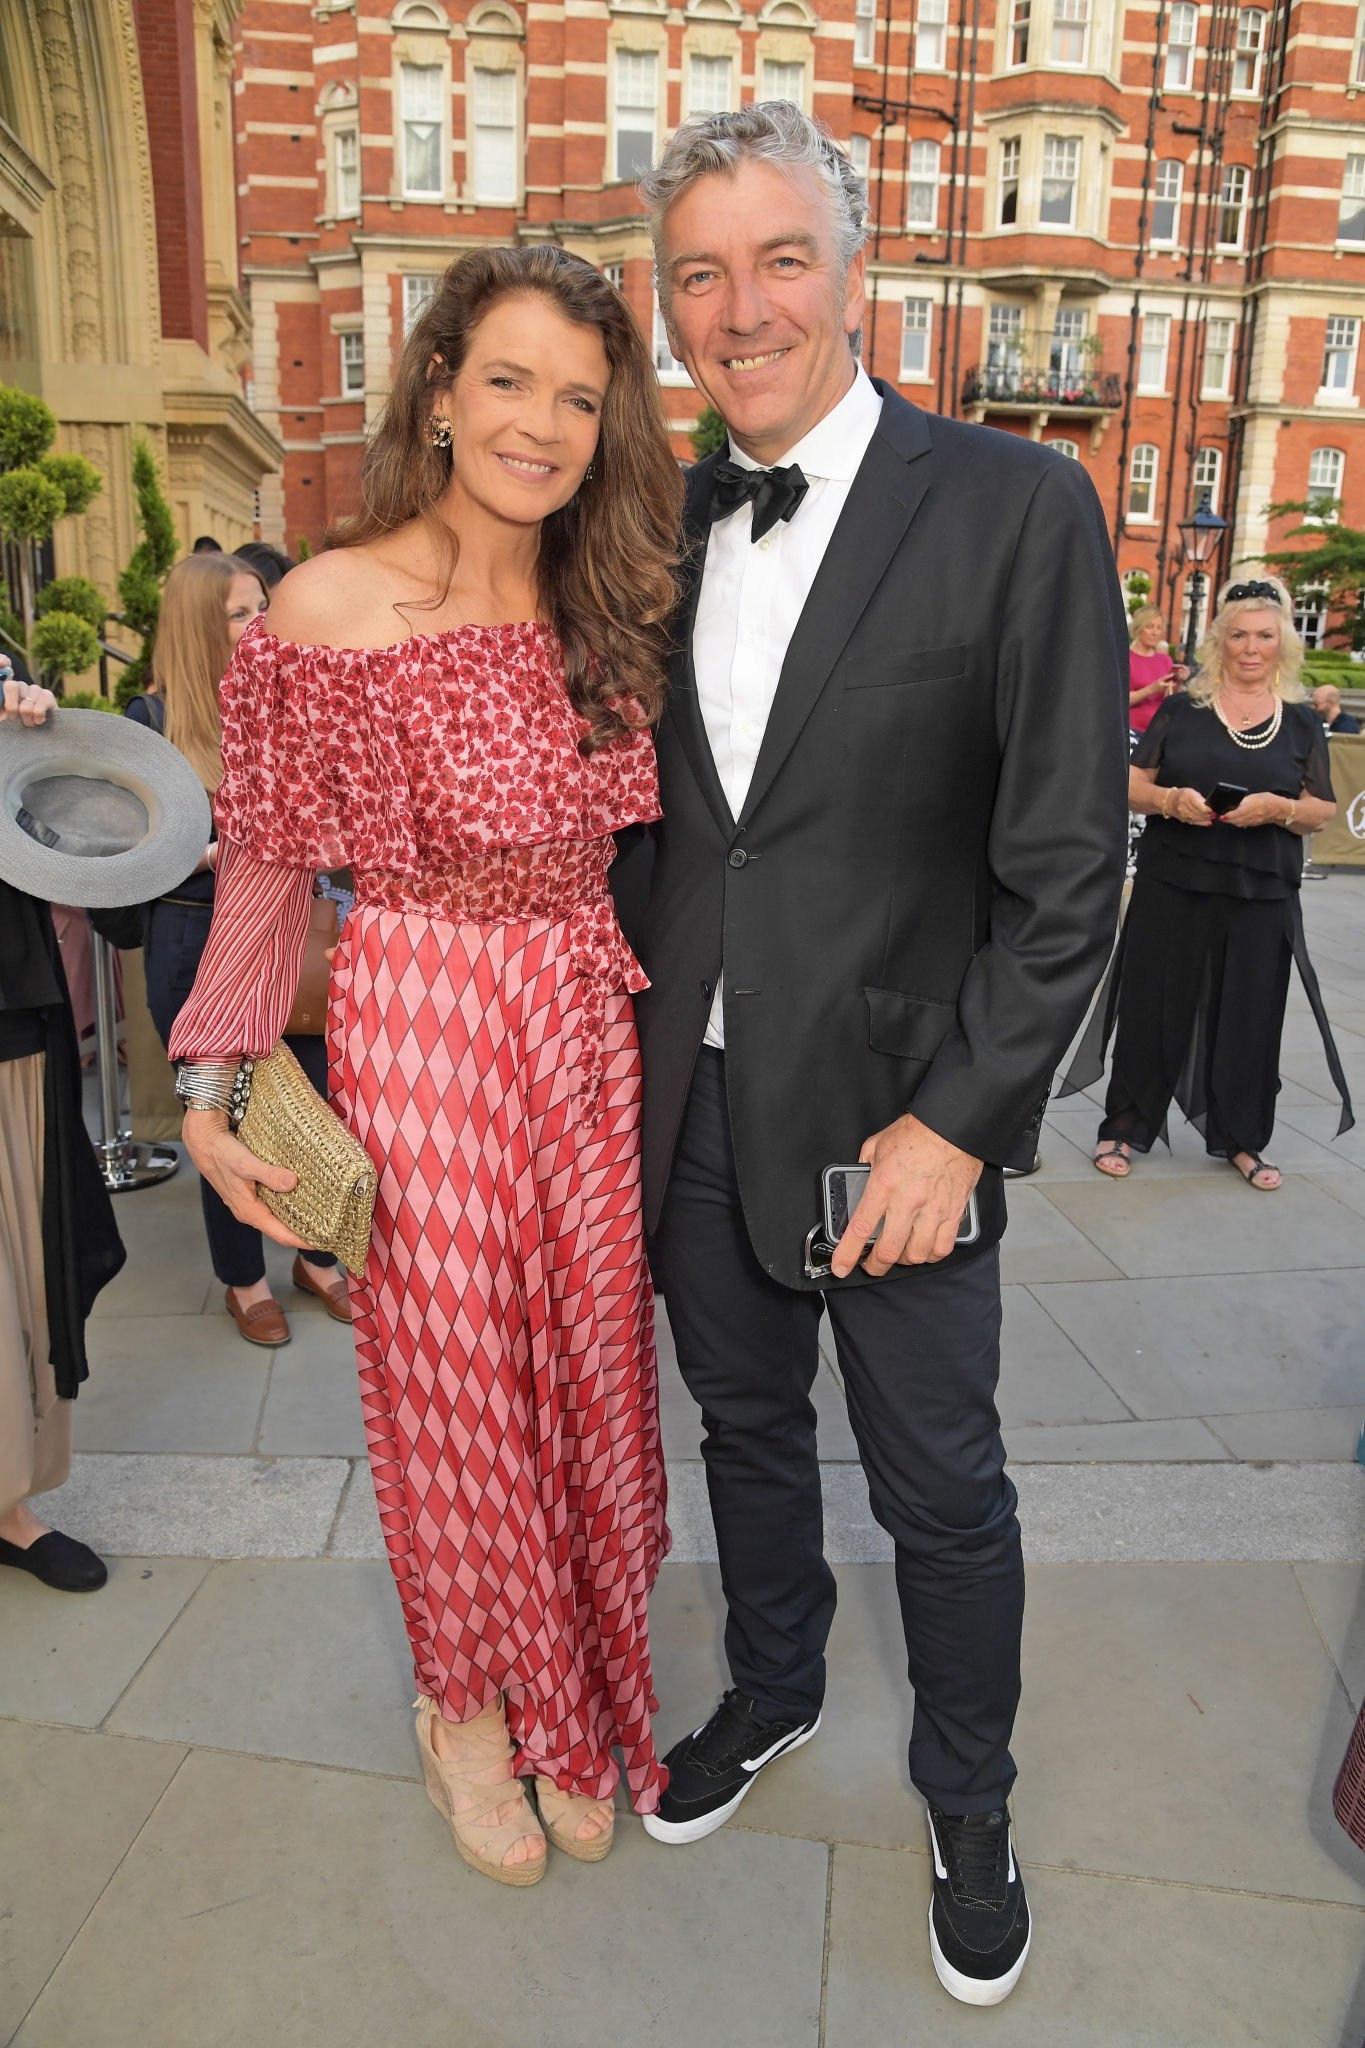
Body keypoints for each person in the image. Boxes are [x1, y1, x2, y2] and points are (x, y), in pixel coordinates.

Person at [618, 104, 1128, 2007]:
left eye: (779, 259)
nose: (739, 308)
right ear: (668, 307)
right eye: (699, 273)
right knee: (744, 1432)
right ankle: (772, 1683)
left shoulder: (1014, 502)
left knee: (942, 1489)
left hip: (905, 1119)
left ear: (856, 272)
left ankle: (969, 1795)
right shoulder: (650, 525)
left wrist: (957, 1126)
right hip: (694, 1097)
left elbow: (1068, 870)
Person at [169, 244, 682, 1883]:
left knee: (582, 1368)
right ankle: (466, 1706)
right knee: (455, 1382)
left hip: (580, 1022)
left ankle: (569, 1690)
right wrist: (212, 1085)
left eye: (579, 397)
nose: (541, 423)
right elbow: (264, 866)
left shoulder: (616, 600)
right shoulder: (328, 601)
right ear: (442, 391)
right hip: (423, 1015)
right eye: (510, 380)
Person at [128, 553, 349, 1345]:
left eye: (264, 606)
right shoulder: (151, 722)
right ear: (199, 627)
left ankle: (317, 1257)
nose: (261, 623)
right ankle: (243, 1279)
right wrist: (233, 852)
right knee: (221, 1113)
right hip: (193, 933)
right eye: (240, 613)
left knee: (318, 1100)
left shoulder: (286, 706)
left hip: (295, 933)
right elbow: (128, 853)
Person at [1077, 575, 1354, 1188]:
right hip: (1174, 878)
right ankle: (1125, 1124)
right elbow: (1130, 783)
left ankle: (1242, 1137)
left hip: (1261, 889)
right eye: (1239, 635)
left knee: (1251, 1011)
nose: (1251, 647)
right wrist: (1169, 800)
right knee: (1153, 1002)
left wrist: (1278, 809)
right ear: (1219, 642)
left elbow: (1321, 810)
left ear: (1283, 644)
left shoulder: (1302, 722)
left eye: (1264, 636)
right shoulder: (1182, 710)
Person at [0, 666, 125, 1593]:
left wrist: (45, 750)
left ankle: (9, 1505)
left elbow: (101, 879)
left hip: (11, 1022)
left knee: (24, 1275)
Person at [1127, 606, 1187, 740]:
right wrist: (1151, 689)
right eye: (1150, 627)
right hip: (1134, 731)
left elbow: (1170, 697)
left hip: (1161, 730)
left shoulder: (1165, 660)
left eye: (1159, 628)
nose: (1155, 632)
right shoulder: (1126, 659)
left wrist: (1179, 680)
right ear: (1138, 628)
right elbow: (1120, 700)